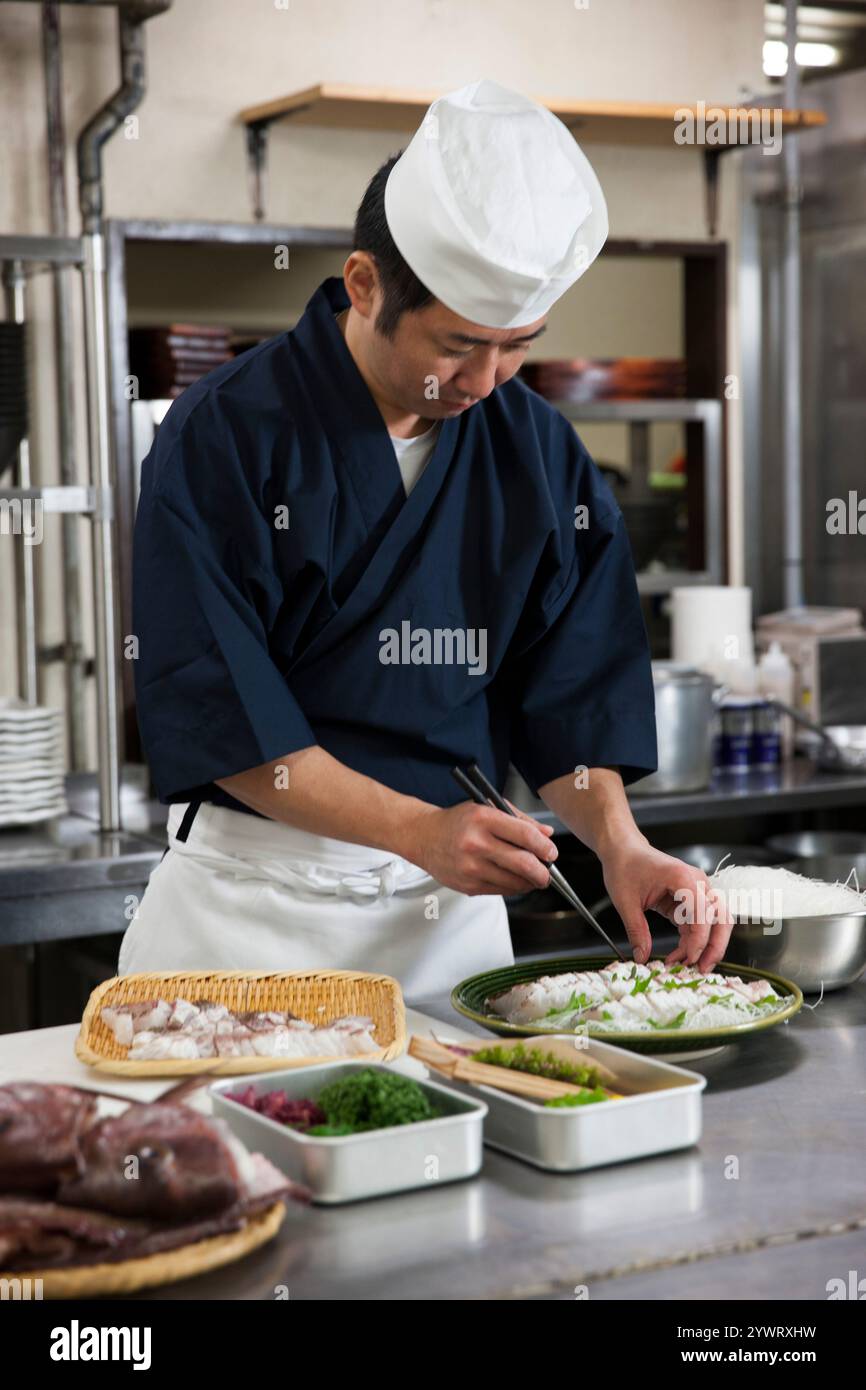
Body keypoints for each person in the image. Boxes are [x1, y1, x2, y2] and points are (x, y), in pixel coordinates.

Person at [119, 80, 729, 998]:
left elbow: (569, 698)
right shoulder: (223, 433)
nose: (486, 380)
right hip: (247, 919)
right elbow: (217, 709)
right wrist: (415, 828)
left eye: (519, 344)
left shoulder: (536, 448)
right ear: (364, 285)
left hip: (446, 931)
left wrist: (620, 843)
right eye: (459, 343)